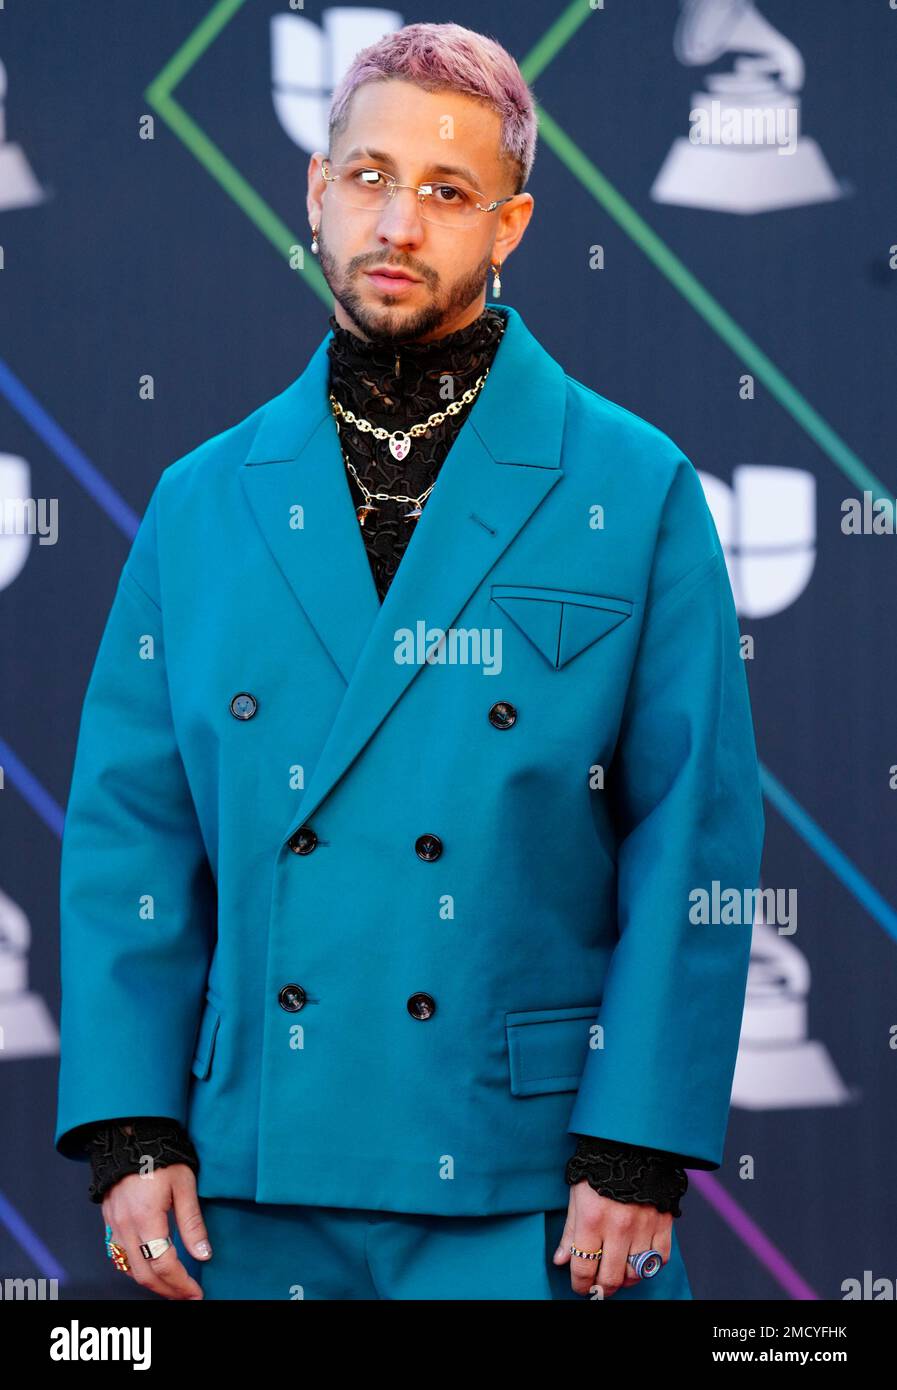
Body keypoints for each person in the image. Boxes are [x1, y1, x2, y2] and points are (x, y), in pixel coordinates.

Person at [54, 22, 764, 1301]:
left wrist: (641, 1141)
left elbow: (694, 830)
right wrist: (130, 1125)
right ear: (317, 192)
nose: (398, 221)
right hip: (246, 1172)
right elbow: (129, 836)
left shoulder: (634, 485)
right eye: (370, 177)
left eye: (447, 192)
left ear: (511, 226)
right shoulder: (200, 499)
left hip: (531, 1178)